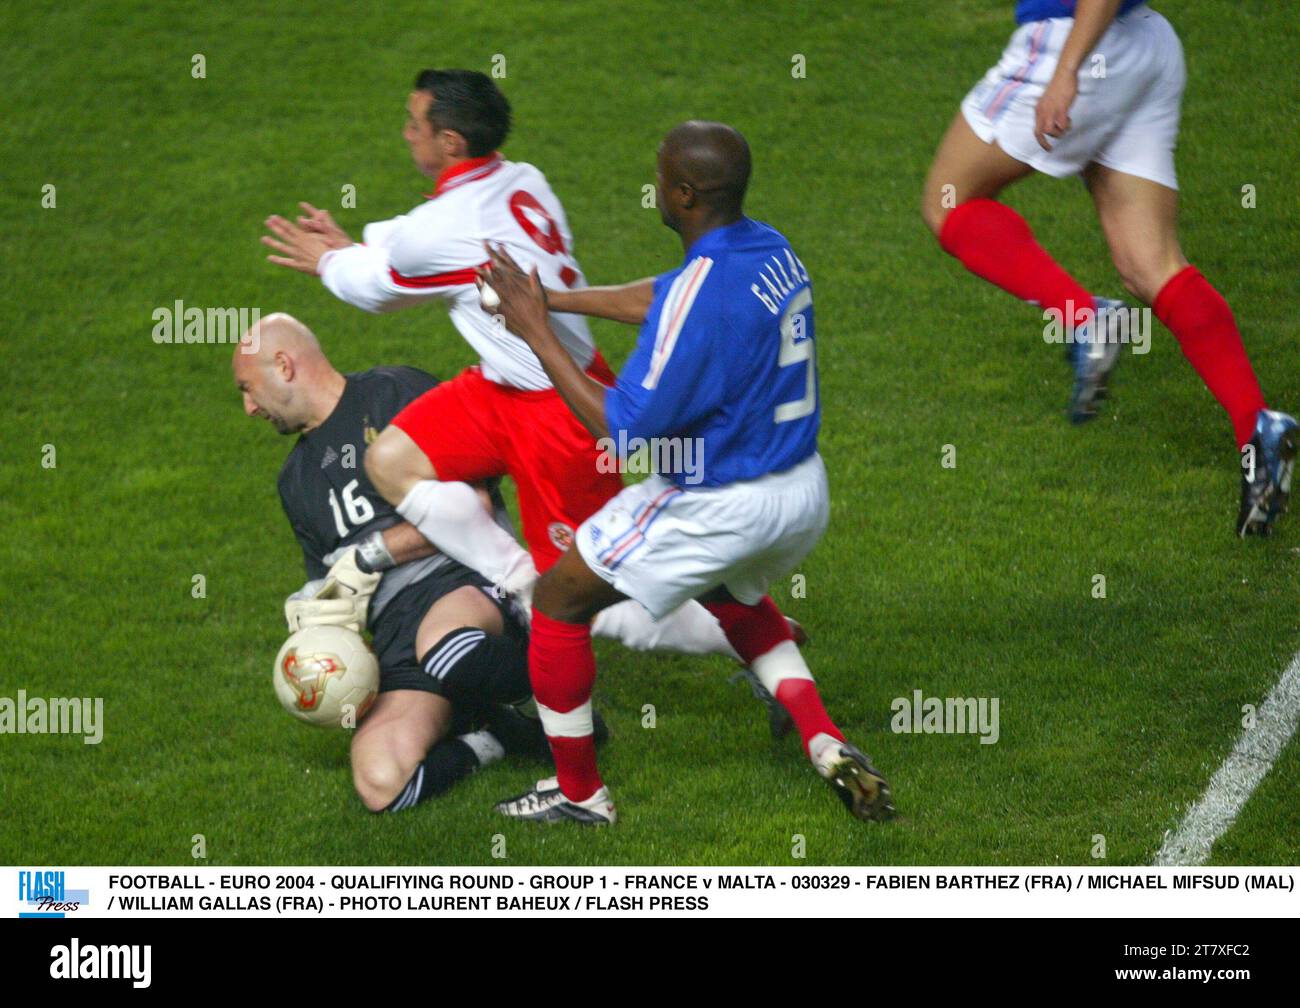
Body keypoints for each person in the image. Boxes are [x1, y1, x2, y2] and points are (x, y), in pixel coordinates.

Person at [481, 122, 895, 826]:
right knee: (734, 599)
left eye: (659, 176)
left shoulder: (701, 295)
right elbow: (667, 297)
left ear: (681, 193)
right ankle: (823, 740)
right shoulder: (770, 248)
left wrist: (535, 332)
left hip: (723, 499)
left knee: (556, 601)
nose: (652, 187)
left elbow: (622, 431)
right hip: (800, 490)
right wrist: (551, 299)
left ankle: (580, 796)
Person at [920, 0, 1295, 536]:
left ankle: (1086, 319)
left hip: (1075, 43)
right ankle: (1258, 426)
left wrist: (1067, 71)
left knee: (947, 202)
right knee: (1152, 266)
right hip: (1144, 48)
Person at [259, 68, 624, 595]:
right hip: (505, 386)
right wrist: (347, 253)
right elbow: (423, 246)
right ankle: (516, 580)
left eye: (414, 124)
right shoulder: (522, 177)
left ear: (449, 141)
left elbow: (381, 291)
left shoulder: (445, 228)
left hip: (560, 406)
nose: (406, 133)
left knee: (598, 583)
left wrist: (329, 263)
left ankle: (758, 647)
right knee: (390, 459)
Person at [234, 313, 541, 813]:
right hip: (397, 635)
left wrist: (371, 554)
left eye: (248, 388)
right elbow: (333, 587)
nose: (248, 407)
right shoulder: (295, 482)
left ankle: (562, 709)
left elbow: (473, 503)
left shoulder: (394, 392)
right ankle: (499, 734)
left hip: (462, 579)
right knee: (381, 784)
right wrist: (320, 621)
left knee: (446, 647)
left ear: (284, 365)